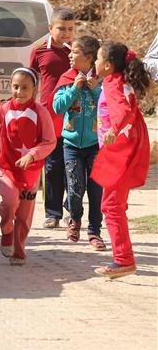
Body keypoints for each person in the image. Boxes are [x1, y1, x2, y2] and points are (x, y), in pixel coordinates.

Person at [0, 68, 57, 264]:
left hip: (30, 171)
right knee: (9, 202)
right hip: (7, 166)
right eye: (15, 87)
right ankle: (6, 231)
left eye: (25, 88)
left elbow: (50, 141)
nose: (19, 92)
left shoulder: (41, 112)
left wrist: (32, 155)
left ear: (35, 89)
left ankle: (18, 250)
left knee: (24, 214)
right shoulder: (4, 109)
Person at [91, 41, 151, 279]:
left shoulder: (114, 84)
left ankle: (124, 260)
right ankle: (123, 257)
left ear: (107, 65)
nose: (95, 62)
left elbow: (124, 111)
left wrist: (114, 129)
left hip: (120, 153)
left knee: (111, 206)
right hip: (125, 149)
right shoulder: (116, 81)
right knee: (116, 205)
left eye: (97, 59)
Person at [51, 35, 105, 250]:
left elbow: (108, 106)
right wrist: (73, 89)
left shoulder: (101, 79)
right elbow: (57, 107)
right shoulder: (67, 78)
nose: (70, 56)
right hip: (71, 145)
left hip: (96, 146)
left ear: (89, 57)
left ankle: (94, 231)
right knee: (74, 187)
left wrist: (94, 89)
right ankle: (75, 219)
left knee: (96, 189)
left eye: (75, 52)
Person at [28, 8, 76, 229]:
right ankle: (52, 213)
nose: (66, 33)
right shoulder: (38, 52)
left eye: (70, 29)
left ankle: (71, 211)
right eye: (61, 28)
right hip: (48, 115)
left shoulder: (76, 52)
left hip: (72, 115)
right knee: (51, 165)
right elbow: (31, 81)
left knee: (72, 165)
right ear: (50, 28)